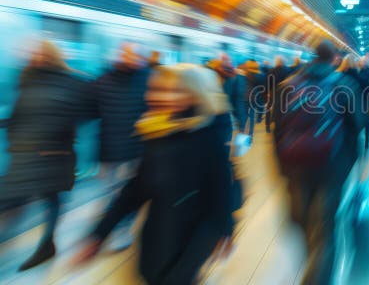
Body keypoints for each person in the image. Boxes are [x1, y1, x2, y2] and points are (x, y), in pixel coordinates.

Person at [75, 64, 235, 284]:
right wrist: (99, 234)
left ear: (194, 95)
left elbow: (222, 191)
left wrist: (226, 228)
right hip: (157, 239)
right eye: (155, 89)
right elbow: (136, 190)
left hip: (192, 241)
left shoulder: (209, 136)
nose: (158, 97)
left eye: (174, 90)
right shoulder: (156, 133)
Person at [273, 41, 366, 285]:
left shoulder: (287, 86)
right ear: (335, 58)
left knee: (303, 221)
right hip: (333, 166)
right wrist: (354, 160)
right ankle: (318, 272)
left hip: (294, 166)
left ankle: (314, 261)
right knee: (326, 228)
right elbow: (357, 124)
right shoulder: (344, 85)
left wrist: (281, 168)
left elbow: (277, 130)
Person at [0, 41, 92, 271]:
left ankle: (45, 247)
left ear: (51, 55)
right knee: (34, 200)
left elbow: (87, 113)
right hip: (25, 154)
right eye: (31, 52)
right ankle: (41, 246)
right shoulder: (28, 80)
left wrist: (59, 131)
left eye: (38, 52)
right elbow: (21, 115)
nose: (32, 56)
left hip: (53, 154)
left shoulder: (73, 81)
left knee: (37, 200)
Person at [90, 42, 151, 251]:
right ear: (119, 56)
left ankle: (121, 231)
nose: (134, 60)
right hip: (111, 149)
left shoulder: (149, 80)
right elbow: (91, 110)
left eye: (137, 56)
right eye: (129, 55)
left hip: (136, 148)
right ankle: (110, 226)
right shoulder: (103, 81)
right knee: (112, 192)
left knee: (128, 193)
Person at [265, 56, 289, 133]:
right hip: (283, 93)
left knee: (269, 108)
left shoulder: (271, 70)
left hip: (273, 92)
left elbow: (268, 82)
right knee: (281, 109)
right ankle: (278, 126)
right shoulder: (287, 70)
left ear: (276, 62)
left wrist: (268, 92)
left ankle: (267, 126)